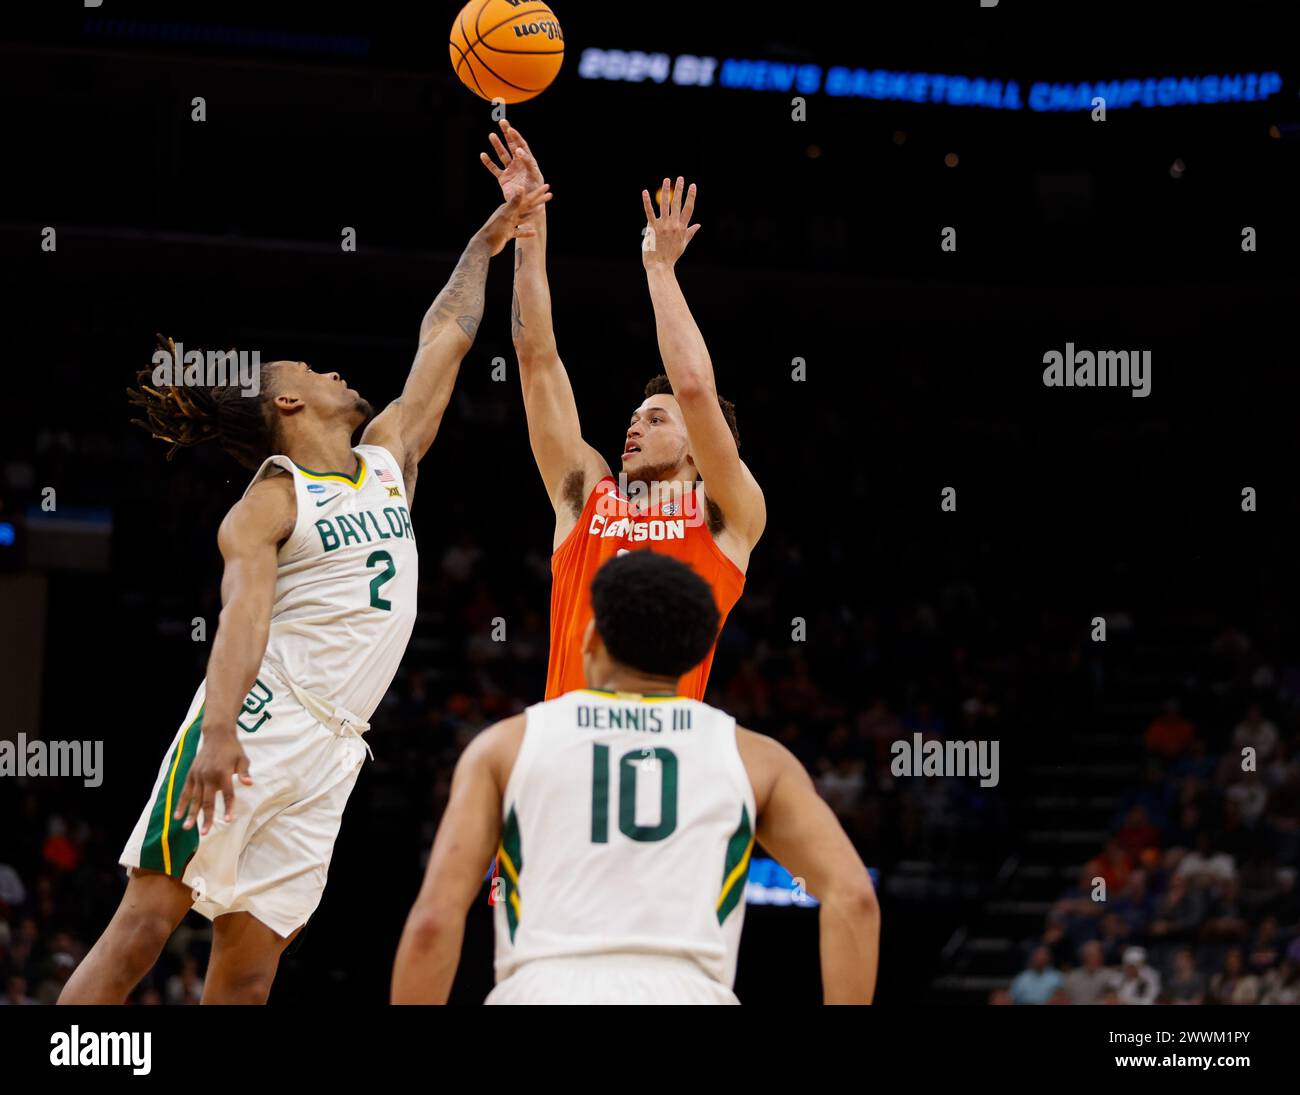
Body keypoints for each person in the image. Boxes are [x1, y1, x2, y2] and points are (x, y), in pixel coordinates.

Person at [59, 188, 550, 1005]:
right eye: (312, 371)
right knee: (143, 928)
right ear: (289, 403)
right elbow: (241, 621)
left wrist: (489, 238)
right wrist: (218, 732)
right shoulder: (271, 500)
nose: (333, 370)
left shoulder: (389, 457)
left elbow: (445, 337)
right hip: (257, 720)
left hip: (335, 749)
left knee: (249, 975)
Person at [391, 552, 878, 1004]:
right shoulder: (757, 759)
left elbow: (435, 919)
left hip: (543, 988)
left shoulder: (506, 745)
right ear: (695, 652)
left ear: (593, 636)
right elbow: (853, 898)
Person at [480, 120, 766, 702]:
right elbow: (535, 359)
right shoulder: (589, 496)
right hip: (565, 756)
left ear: (697, 449)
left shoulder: (725, 511)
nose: (635, 423)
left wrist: (659, 269)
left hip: (662, 759)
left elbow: (692, 386)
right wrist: (530, 224)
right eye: (636, 415)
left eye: (655, 419)